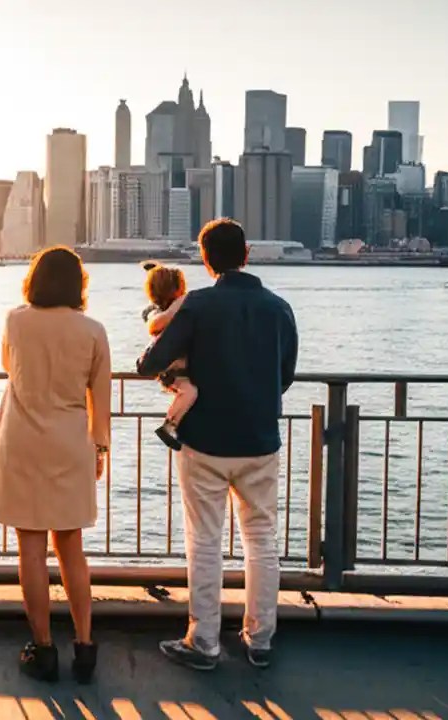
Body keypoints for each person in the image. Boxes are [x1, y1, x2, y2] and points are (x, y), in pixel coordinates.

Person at [137, 218, 298, 671]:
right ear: (246, 255)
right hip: (260, 439)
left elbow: (151, 363)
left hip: (205, 442)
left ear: (206, 260)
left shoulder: (198, 307)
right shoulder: (279, 308)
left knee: (205, 540)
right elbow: (284, 376)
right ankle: (260, 638)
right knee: (262, 539)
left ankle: (204, 641)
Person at [0, 246, 111, 684]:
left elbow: (8, 369)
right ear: (78, 284)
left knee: (31, 551)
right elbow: (101, 400)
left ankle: (44, 650)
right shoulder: (93, 331)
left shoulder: (16, 321)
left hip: (24, 443)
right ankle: (86, 647)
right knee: (71, 549)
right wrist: (99, 448)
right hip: (71, 444)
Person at [141, 264, 198, 451]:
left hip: (175, 368)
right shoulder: (166, 313)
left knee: (188, 392)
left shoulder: (161, 311)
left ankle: (173, 423)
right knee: (189, 392)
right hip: (174, 370)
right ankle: (170, 425)